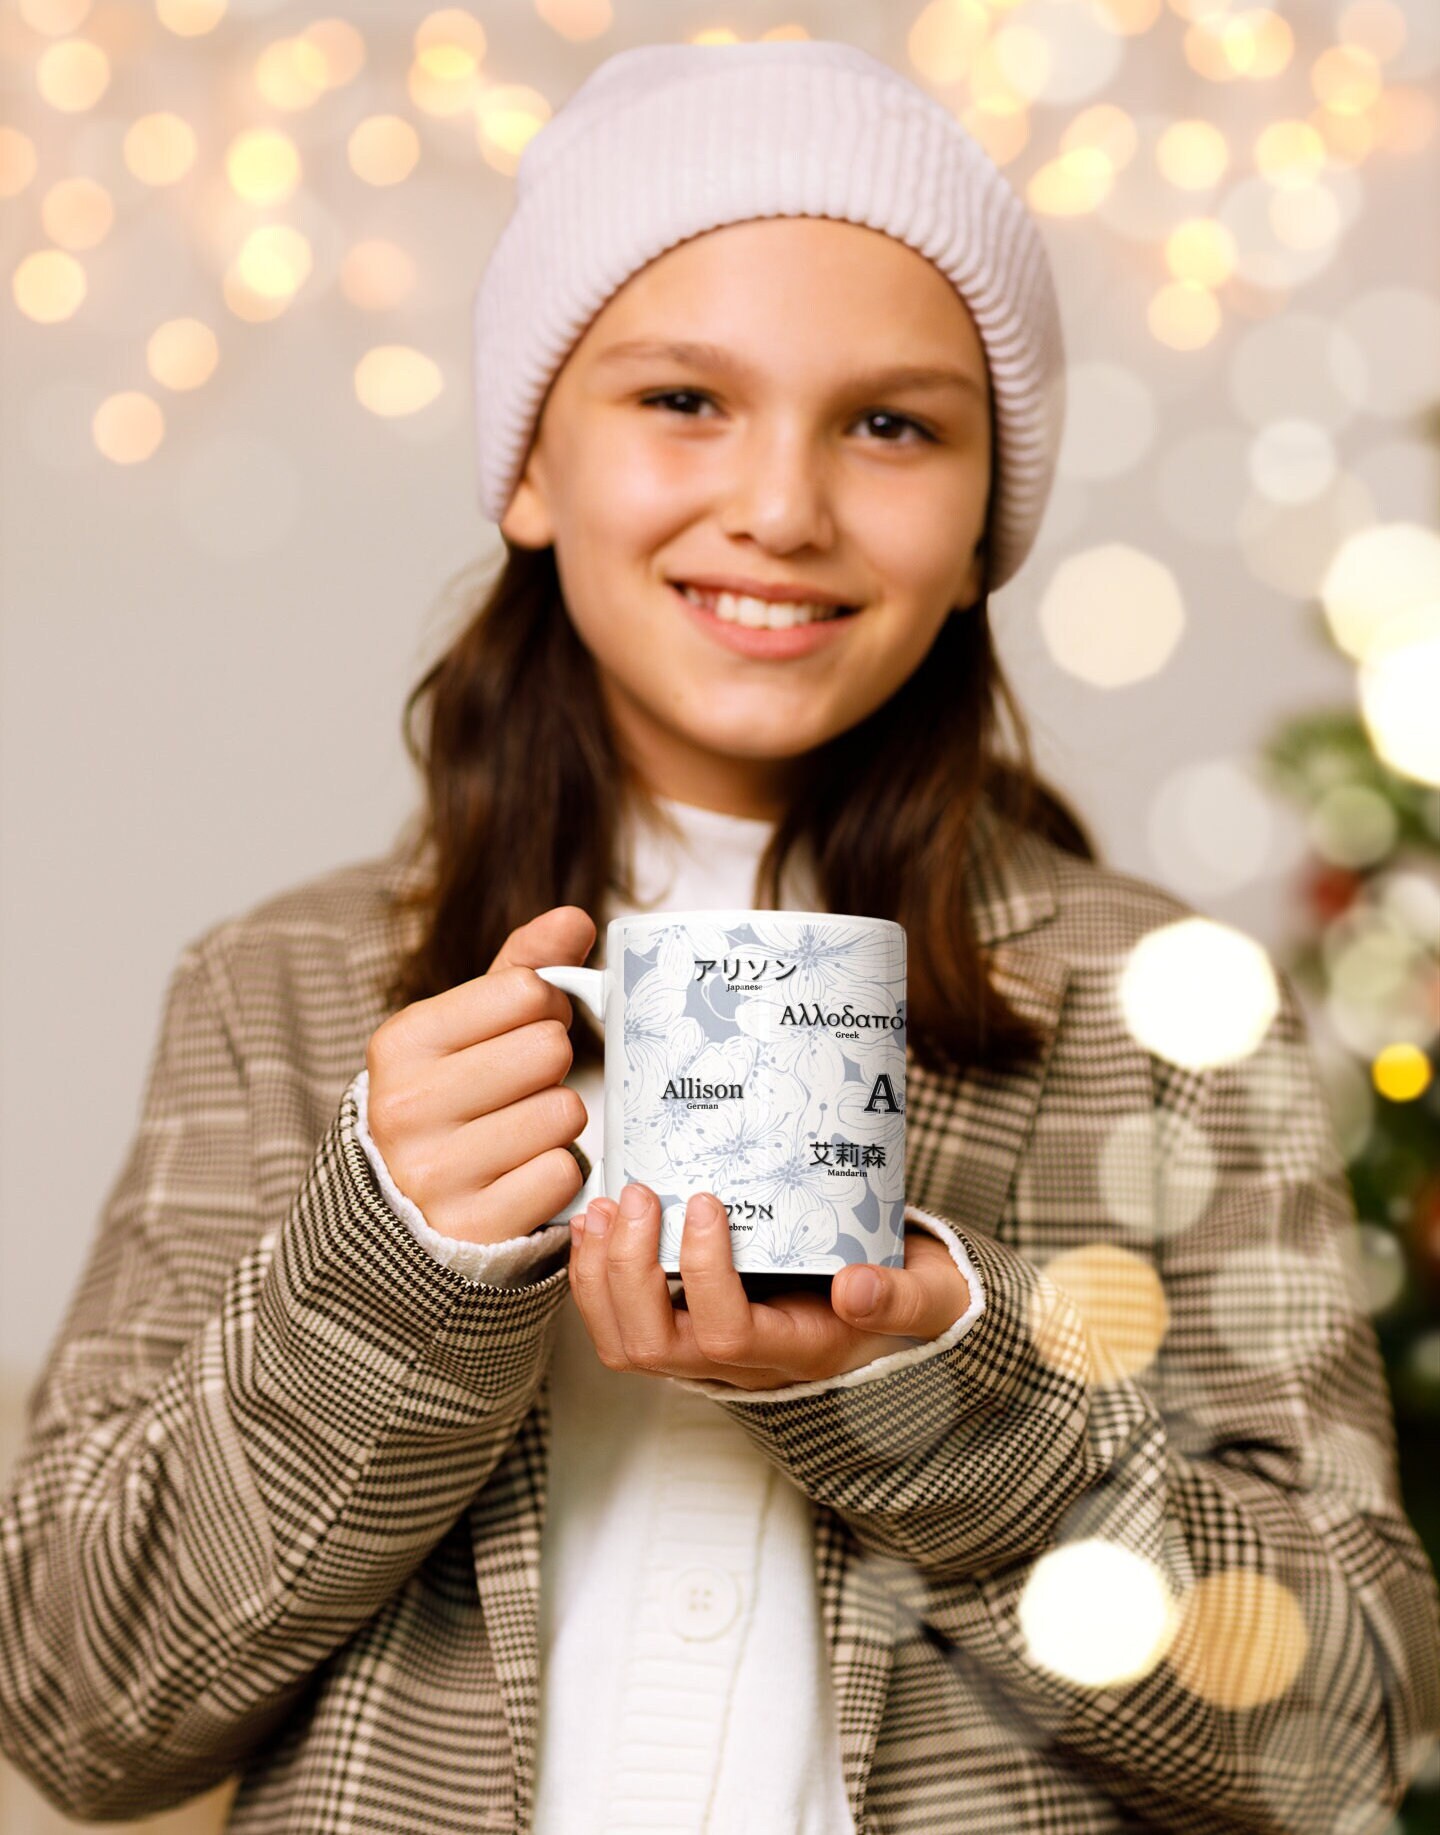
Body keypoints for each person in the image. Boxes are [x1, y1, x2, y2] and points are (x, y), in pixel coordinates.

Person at [1, 35, 1437, 1835]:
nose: (781, 505)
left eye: (892, 423)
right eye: (685, 399)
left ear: (988, 517)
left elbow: (1340, 1739)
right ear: (531, 462)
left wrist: (929, 1388)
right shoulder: (283, 999)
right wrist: (386, 1269)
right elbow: (72, 1710)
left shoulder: (1160, 1020)